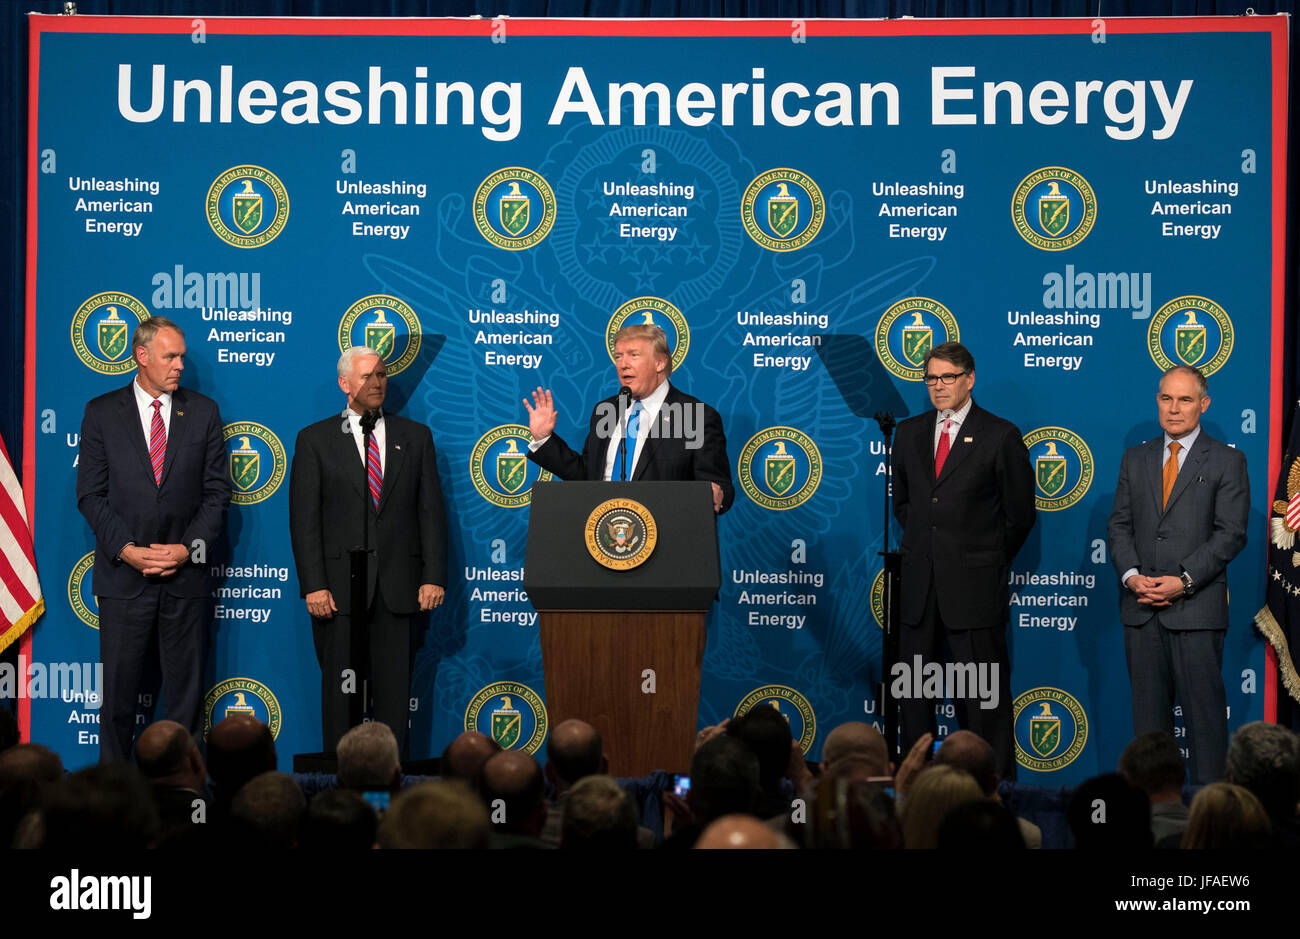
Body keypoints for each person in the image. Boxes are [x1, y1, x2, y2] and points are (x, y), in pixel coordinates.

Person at [76, 316, 231, 763]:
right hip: (124, 582)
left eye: (182, 356)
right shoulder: (102, 412)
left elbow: (218, 493)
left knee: (185, 704)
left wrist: (186, 550)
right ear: (142, 357)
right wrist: (127, 551)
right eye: (171, 356)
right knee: (118, 704)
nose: (180, 365)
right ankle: (113, 797)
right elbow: (90, 494)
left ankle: (181, 795)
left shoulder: (203, 412)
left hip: (186, 582)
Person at [289, 346, 447, 755]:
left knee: (394, 701)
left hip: (398, 590)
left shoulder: (415, 438)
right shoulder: (315, 440)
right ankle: (341, 796)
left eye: (381, 375)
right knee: (341, 700)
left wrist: (433, 575)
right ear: (345, 384)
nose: (377, 383)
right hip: (338, 595)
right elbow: (304, 521)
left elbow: (430, 512)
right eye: (366, 377)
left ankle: (392, 797)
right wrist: (314, 585)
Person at [892, 341, 1036, 778]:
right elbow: (905, 506)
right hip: (918, 589)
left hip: (974, 591)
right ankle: (916, 793)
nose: (938, 386)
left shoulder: (999, 435)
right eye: (931, 378)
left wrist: (982, 560)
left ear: (969, 379)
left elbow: (1020, 515)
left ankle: (994, 796)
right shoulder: (910, 432)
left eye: (947, 377)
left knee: (983, 702)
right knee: (914, 699)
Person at [1107, 365, 1249, 785]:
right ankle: (1154, 821)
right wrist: (1132, 576)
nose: (1174, 408)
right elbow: (1119, 525)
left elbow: (1231, 534)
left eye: (1185, 399)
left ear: (1203, 404)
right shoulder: (1136, 457)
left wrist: (1183, 581)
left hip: (1196, 612)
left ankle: (1210, 821)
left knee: (1205, 729)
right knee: (1149, 736)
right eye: (1167, 398)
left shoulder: (1228, 459)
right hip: (1142, 610)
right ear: (1157, 401)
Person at [523, 323, 734, 514]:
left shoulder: (694, 415)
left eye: (633, 355)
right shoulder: (606, 410)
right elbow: (587, 476)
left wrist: (717, 494)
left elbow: (718, 486)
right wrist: (544, 439)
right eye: (618, 356)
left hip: (667, 539)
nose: (623, 364)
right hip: (603, 536)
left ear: (660, 363)